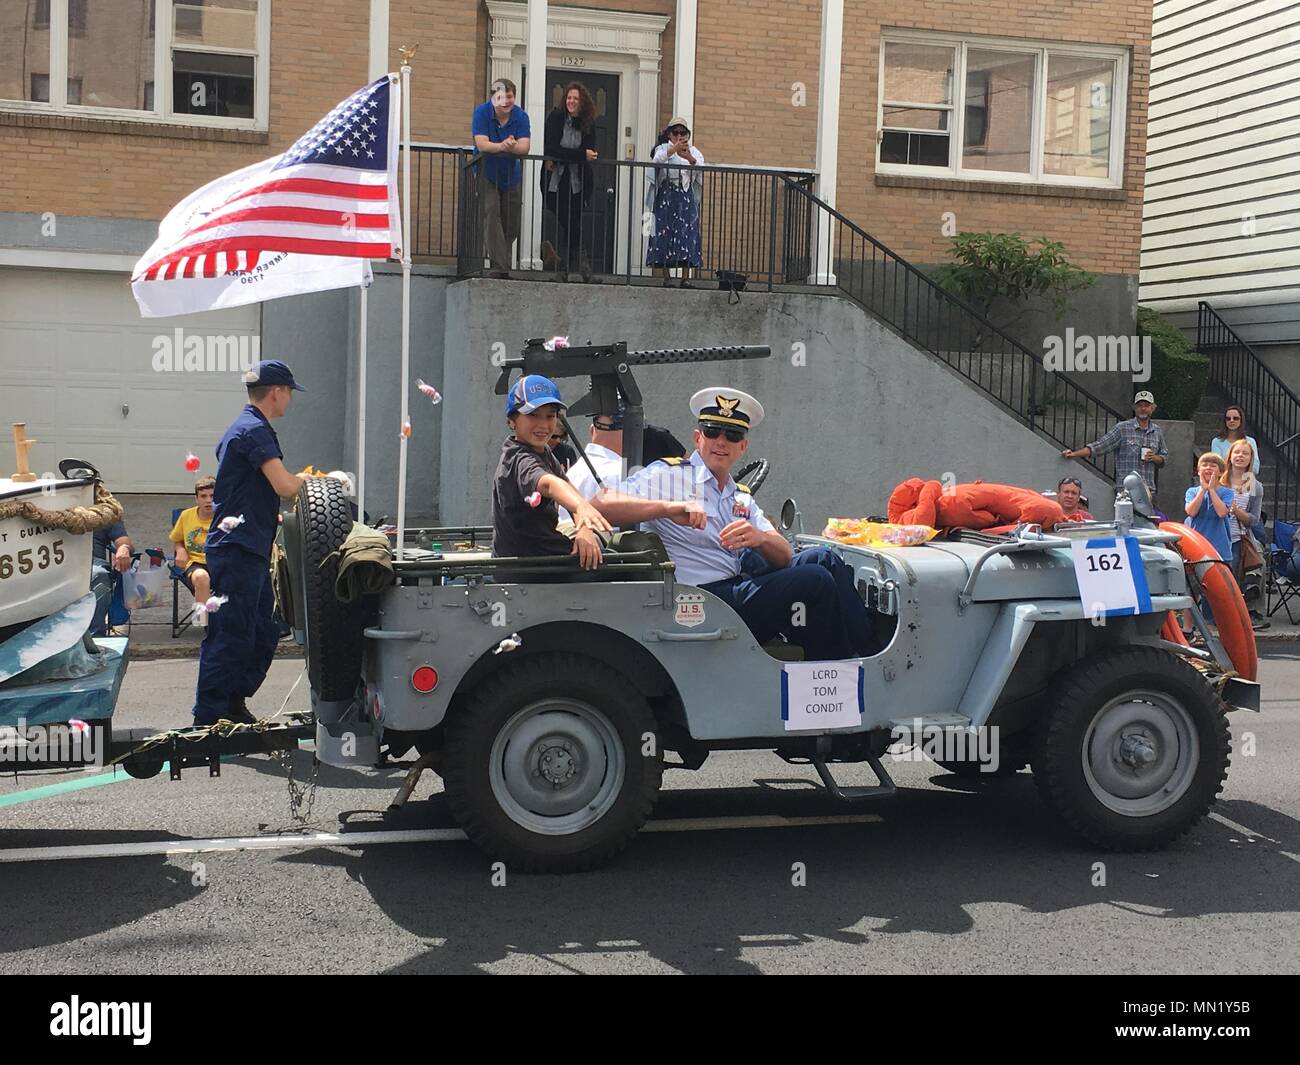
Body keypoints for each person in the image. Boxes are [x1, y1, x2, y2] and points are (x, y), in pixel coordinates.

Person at [612, 388, 879, 660]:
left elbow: (784, 555)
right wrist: (669, 508)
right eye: (712, 431)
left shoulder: (739, 495)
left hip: (735, 587)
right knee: (815, 580)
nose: (721, 442)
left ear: (743, 447)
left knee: (824, 559)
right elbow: (601, 505)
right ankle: (836, 671)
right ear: (697, 437)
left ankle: (870, 654)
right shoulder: (668, 477)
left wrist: (759, 539)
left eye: (733, 435)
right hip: (701, 601)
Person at [192, 361, 309, 726]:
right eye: (289, 392)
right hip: (237, 549)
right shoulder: (254, 431)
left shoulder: (245, 429)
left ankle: (233, 702)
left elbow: (246, 487)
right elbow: (285, 486)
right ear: (277, 391)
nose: (289, 399)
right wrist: (322, 482)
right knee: (231, 632)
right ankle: (209, 716)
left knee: (263, 629)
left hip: (248, 546)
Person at [491, 375, 700, 570]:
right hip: (533, 566)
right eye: (532, 415)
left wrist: (583, 526)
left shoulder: (542, 451)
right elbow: (549, 484)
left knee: (620, 549)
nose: (543, 424)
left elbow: (568, 489)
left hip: (543, 555)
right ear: (512, 420)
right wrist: (582, 507)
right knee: (637, 565)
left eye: (550, 416)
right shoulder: (519, 458)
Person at [471, 78, 531, 275]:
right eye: (501, 97)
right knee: (491, 213)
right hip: (486, 172)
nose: (506, 101)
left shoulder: (521, 116)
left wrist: (512, 146)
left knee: (511, 223)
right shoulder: (481, 112)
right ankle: (500, 266)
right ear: (493, 97)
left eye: (510, 96)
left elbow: (525, 147)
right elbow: (481, 143)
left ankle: (501, 261)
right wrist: (502, 146)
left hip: (510, 175)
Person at [1061, 390, 1168, 496]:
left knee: (1148, 514)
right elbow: (1100, 446)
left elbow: (1164, 456)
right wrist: (1074, 454)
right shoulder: (1122, 428)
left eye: (1146, 405)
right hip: (1126, 490)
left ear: (1152, 408)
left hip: (1148, 490)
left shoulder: (1157, 431)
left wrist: (1154, 458)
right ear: (1135, 408)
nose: (1143, 408)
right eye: (1140, 405)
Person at [541, 82, 597, 281]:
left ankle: (564, 269)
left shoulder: (587, 123)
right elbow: (552, 148)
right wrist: (580, 154)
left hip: (578, 182)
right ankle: (582, 269)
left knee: (572, 224)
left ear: (582, 103)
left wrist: (577, 156)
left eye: (576, 99)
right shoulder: (556, 117)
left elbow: (591, 152)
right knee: (569, 223)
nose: (571, 101)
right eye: (569, 98)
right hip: (555, 181)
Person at [645, 117, 704, 287]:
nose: (679, 135)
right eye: (675, 132)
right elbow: (655, 162)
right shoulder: (662, 149)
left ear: (688, 135)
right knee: (664, 232)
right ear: (669, 134)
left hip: (685, 196)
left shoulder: (694, 151)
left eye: (682, 132)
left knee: (687, 234)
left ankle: (686, 278)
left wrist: (689, 157)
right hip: (666, 196)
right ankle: (667, 277)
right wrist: (672, 151)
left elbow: (700, 167)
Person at [1221, 439, 1268, 630]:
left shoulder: (1252, 483)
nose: (1240, 456)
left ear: (1251, 459)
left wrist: (1238, 512)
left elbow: (1254, 519)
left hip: (1241, 534)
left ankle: (1252, 612)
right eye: (1237, 452)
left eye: (1245, 453)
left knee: (1259, 563)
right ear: (1230, 456)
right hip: (1220, 534)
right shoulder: (1220, 479)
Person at [170, 475, 215, 622]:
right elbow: (177, 539)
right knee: (202, 577)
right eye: (203, 496)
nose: (208, 500)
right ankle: (205, 625)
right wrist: (180, 550)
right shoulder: (186, 516)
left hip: (221, 562)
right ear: (197, 499)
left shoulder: (225, 517)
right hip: (195, 563)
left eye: (212, 496)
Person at [89, 518, 133, 637]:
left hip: (93, 563)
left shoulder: (105, 512)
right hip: (55, 563)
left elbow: (124, 541)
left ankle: (95, 636)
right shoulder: (48, 511)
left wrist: (124, 548)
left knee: (99, 575)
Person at [1210, 405, 1261, 475]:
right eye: (1228, 418)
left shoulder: (1250, 442)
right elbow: (1218, 466)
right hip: (1224, 482)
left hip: (1246, 482)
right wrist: (1242, 463)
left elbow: (1255, 468)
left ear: (1241, 420)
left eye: (1235, 418)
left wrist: (1229, 463)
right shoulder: (1217, 442)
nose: (1231, 421)